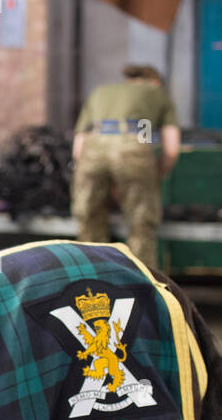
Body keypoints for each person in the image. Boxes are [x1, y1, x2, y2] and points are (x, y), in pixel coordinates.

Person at [71, 64, 181, 269]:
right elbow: (171, 149)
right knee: (141, 222)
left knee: (89, 217)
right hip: (133, 146)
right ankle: (142, 282)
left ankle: (93, 277)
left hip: (93, 148)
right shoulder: (157, 93)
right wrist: (155, 176)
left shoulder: (100, 92)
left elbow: (78, 149)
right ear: (154, 81)